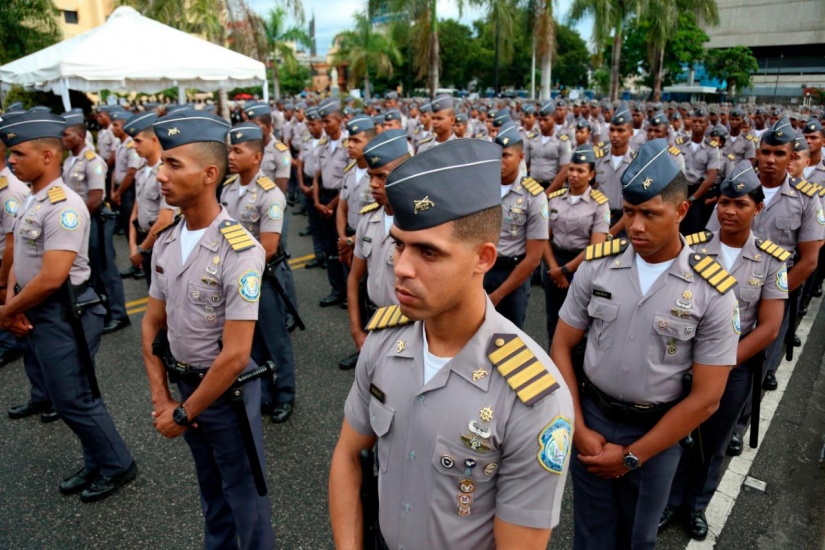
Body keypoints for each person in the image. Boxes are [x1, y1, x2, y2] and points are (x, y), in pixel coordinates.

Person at [329, 139, 574, 550]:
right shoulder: (384, 342)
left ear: (483, 257)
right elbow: (347, 455)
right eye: (399, 244)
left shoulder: (531, 395)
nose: (401, 267)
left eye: (428, 252)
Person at [551, 138, 739, 550]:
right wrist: (578, 428)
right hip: (592, 420)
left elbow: (708, 397)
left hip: (659, 430)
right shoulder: (598, 266)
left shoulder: (713, 290)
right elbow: (561, 346)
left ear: (682, 211)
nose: (635, 225)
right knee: (590, 537)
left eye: (650, 214)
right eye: (630, 211)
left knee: (639, 538)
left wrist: (633, 455)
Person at [141, 110, 275, 548]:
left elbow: (236, 353)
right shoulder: (166, 238)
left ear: (209, 174)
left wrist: (184, 412)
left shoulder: (240, 250)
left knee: (244, 494)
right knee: (211, 490)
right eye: (162, 162)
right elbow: (151, 323)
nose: (160, 174)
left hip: (224, 394)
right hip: (184, 386)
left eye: (173, 164)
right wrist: (163, 396)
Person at [0, 111, 137, 501]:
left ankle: (117, 464)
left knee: (74, 398)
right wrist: (12, 299)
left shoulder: (64, 205)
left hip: (66, 312)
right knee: (67, 396)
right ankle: (97, 460)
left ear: (47, 157)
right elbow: (22, 258)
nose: (11, 160)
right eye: (10, 153)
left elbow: (52, 276)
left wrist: (7, 312)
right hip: (39, 307)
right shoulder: (31, 198)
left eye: (19, 153)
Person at [662, 162, 787, 540]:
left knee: (713, 442)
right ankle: (669, 501)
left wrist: (723, 363)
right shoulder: (691, 248)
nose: (729, 211)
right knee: (677, 436)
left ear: (758, 209)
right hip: (684, 361)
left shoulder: (770, 259)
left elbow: (768, 326)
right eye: (725, 203)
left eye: (741, 205)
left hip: (734, 367)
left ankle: (696, 506)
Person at [707, 117, 824, 453]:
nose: (770, 159)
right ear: (757, 154)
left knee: (754, 365)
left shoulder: (805, 199)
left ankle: (735, 426)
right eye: (766, 152)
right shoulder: (739, 190)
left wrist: (774, 295)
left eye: (779, 153)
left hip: (775, 291)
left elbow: (809, 260)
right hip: (727, 287)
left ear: (791, 157)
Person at [223, 121, 297, 424]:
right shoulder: (227, 189)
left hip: (264, 277)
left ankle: (285, 395)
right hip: (237, 277)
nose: (230, 155)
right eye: (230, 149)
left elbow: (268, 246)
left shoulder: (270, 195)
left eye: (237, 151)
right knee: (250, 341)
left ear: (256, 157)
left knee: (275, 340)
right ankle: (263, 391)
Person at [341, 130, 410, 371]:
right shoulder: (368, 219)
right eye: (371, 176)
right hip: (375, 321)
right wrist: (356, 330)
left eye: (381, 176)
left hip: (409, 326)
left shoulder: (419, 223)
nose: (373, 184)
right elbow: (354, 278)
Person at [60, 111, 130, 334]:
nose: (63, 139)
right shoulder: (70, 160)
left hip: (95, 221)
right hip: (82, 222)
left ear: (80, 136)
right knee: (92, 268)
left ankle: (119, 314)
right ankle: (105, 309)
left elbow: (96, 197)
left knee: (105, 267)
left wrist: (76, 220)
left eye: (67, 134)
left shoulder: (93, 161)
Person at [482, 121, 548, 329]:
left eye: (506, 155)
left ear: (520, 158)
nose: (499, 161)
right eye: (496, 155)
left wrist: (498, 295)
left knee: (508, 342)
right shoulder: (483, 186)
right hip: (481, 270)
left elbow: (534, 258)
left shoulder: (534, 196)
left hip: (513, 276)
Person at [542, 144, 609, 346]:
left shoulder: (599, 203)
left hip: (582, 265)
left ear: (591, 175)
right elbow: (544, 237)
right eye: (571, 169)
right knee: (553, 316)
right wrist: (554, 268)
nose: (574, 174)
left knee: (579, 319)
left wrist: (565, 270)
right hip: (553, 262)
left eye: (580, 170)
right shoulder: (554, 199)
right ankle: (553, 360)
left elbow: (596, 246)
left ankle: (576, 367)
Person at [123, 112, 174, 288]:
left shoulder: (166, 173)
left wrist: (141, 249)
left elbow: (165, 220)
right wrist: (132, 245)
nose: (133, 145)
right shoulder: (141, 171)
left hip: (160, 245)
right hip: (144, 243)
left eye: (138, 141)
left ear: (154, 140)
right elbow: (135, 212)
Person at [314, 97, 350, 307]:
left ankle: (348, 291)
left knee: (342, 246)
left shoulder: (347, 145)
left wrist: (331, 205)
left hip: (340, 200)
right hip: (324, 199)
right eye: (323, 122)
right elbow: (317, 176)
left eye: (328, 121)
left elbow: (348, 182)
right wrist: (318, 201)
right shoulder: (323, 145)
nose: (324, 126)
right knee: (329, 248)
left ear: (339, 120)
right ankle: (336, 289)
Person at [0, 124, 27, 368]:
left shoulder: (9, 191)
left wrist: (2, 281)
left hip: (5, 261)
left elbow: (12, 244)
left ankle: (8, 345)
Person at [337, 115, 376, 275]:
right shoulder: (349, 172)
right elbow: (341, 208)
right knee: (351, 279)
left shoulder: (377, 177)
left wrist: (352, 240)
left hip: (368, 239)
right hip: (348, 235)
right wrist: (343, 239)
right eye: (349, 140)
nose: (350, 145)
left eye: (356, 141)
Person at [677, 108, 720, 235]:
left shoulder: (712, 147)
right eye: (694, 121)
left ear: (707, 125)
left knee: (693, 230)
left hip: (697, 192)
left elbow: (711, 177)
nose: (696, 124)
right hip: (679, 189)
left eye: (701, 122)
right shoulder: (680, 143)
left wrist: (691, 199)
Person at [594, 104, 635, 228]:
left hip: (625, 221)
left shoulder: (636, 163)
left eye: (621, 130)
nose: (615, 134)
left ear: (631, 133)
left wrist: (613, 232)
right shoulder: (597, 158)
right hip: (598, 219)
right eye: (612, 130)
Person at [110, 110, 144, 255]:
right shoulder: (121, 144)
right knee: (125, 221)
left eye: (116, 125)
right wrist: (112, 189)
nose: (113, 128)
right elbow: (116, 169)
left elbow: (131, 172)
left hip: (127, 190)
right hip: (120, 189)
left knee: (132, 223)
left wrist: (118, 193)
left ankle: (138, 257)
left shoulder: (131, 145)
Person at [297, 107, 326, 270]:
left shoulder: (326, 142)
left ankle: (328, 258)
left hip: (320, 187)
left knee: (325, 228)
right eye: (309, 125)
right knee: (314, 225)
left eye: (313, 124)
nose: (310, 128)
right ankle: (318, 255)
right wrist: (301, 184)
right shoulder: (307, 141)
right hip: (307, 183)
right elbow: (300, 163)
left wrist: (313, 187)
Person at [525, 101, 572, 192]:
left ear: (554, 120)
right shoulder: (531, 139)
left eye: (546, 120)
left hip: (553, 187)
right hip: (532, 187)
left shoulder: (562, 142)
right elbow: (524, 165)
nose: (542, 123)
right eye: (540, 120)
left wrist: (547, 193)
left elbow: (564, 171)